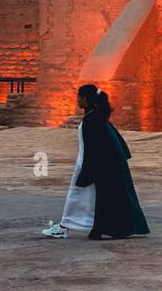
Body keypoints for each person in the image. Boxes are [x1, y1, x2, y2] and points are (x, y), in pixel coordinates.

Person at [42, 84, 150, 240]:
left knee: (79, 195)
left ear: (85, 99)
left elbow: (93, 149)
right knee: (95, 199)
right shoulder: (97, 118)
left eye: (79, 97)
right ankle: (91, 228)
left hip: (97, 165)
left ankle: (65, 227)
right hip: (105, 165)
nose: (77, 100)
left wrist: (86, 172)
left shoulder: (92, 120)